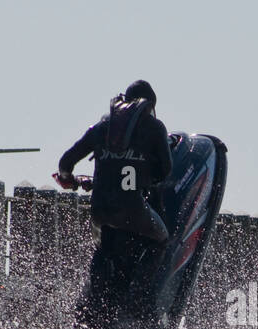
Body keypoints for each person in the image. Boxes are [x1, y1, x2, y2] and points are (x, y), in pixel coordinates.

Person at [55, 79, 172, 244]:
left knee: (101, 248)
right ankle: (157, 271)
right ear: (150, 105)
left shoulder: (102, 126)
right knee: (163, 239)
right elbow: (165, 170)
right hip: (134, 212)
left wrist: (69, 179)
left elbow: (65, 163)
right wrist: (146, 178)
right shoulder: (155, 127)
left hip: (99, 212)